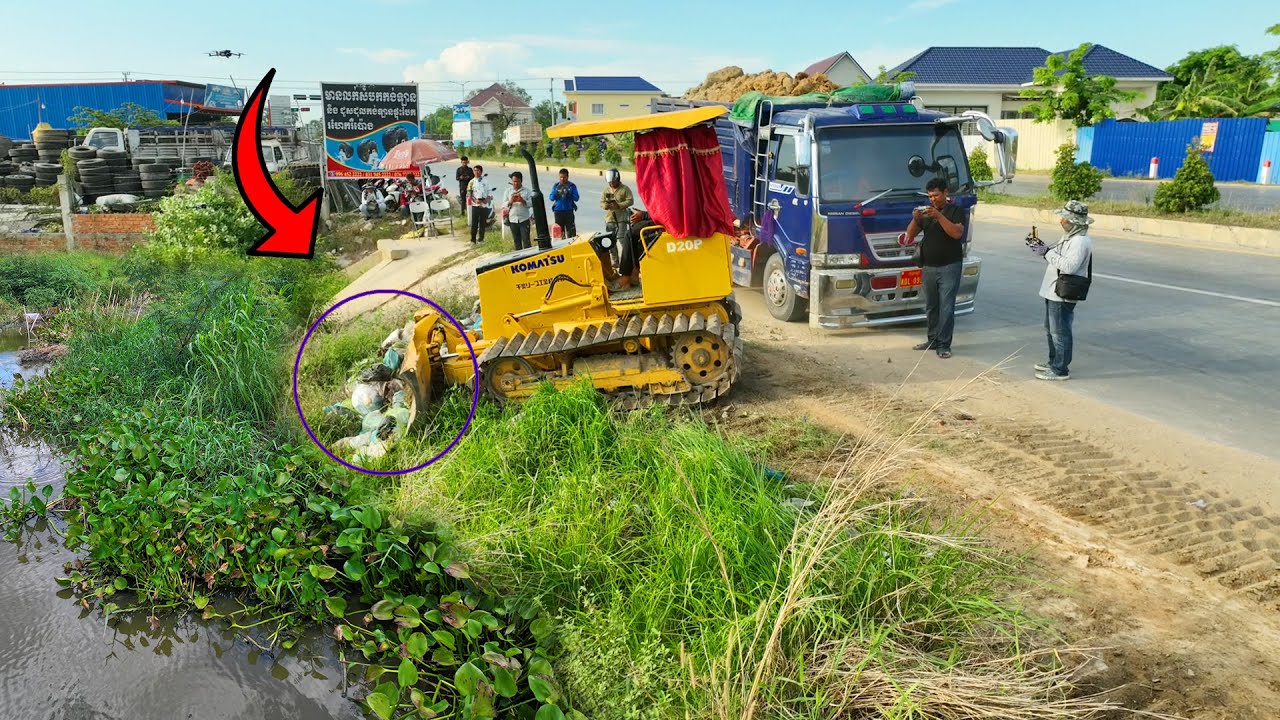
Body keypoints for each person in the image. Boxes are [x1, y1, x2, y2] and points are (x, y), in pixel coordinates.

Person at [1028, 200, 1095, 381]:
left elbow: (1069, 267)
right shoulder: (1070, 238)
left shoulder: (1080, 242)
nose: (1061, 222)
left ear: (1074, 222)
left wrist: (1046, 252)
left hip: (1062, 294)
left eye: (1065, 219)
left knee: (1060, 332)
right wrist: (1038, 247)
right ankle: (1054, 362)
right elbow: (1054, 256)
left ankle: (1060, 369)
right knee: (1051, 329)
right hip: (1054, 290)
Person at [905, 177, 968, 359]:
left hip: (950, 266)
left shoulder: (955, 211)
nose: (933, 199)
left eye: (936, 195)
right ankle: (932, 340)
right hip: (929, 267)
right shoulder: (926, 213)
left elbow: (956, 233)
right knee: (931, 306)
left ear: (946, 193)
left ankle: (944, 345)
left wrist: (939, 216)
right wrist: (915, 220)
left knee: (946, 307)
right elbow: (910, 235)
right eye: (930, 196)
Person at [616, 207, 658, 289]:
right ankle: (634, 273)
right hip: (665, 219)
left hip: (666, 221)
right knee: (636, 231)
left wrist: (644, 215)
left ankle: (626, 276)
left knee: (630, 234)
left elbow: (665, 211)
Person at [600, 169, 633, 264]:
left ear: (617, 179)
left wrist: (619, 205)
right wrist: (605, 206)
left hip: (621, 219)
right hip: (610, 219)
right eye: (609, 182)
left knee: (622, 240)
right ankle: (615, 260)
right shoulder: (606, 190)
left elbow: (630, 201)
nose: (611, 184)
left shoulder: (625, 189)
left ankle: (627, 261)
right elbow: (602, 202)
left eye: (613, 182)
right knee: (610, 241)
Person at [504, 171, 534, 251]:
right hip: (513, 219)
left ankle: (528, 259)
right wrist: (510, 201)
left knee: (526, 241)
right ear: (512, 181)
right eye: (514, 181)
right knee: (517, 242)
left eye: (517, 181)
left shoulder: (527, 191)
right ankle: (519, 259)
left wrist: (522, 200)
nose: (516, 183)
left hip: (524, 219)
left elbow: (531, 203)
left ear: (521, 181)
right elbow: (503, 204)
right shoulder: (508, 191)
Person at [466, 164, 493, 244]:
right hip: (475, 205)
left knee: (482, 223)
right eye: (475, 170)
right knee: (474, 223)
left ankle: (481, 239)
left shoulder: (486, 181)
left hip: (484, 205)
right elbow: (469, 194)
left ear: (481, 172)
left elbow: (490, 193)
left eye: (478, 170)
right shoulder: (471, 182)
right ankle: (473, 240)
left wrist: (487, 200)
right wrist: (474, 200)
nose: (476, 172)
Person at [549, 168, 580, 238]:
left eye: (564, 177)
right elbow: (551, 198)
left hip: (569, 212)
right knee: (560, 234)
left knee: (571, 234)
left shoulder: (572, 186)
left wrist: (569, 194)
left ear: (567, 177)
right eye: (561, 177)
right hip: (558, 212)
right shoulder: (556, 186)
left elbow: (577, 198)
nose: (562, 179)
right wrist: (556, 193)